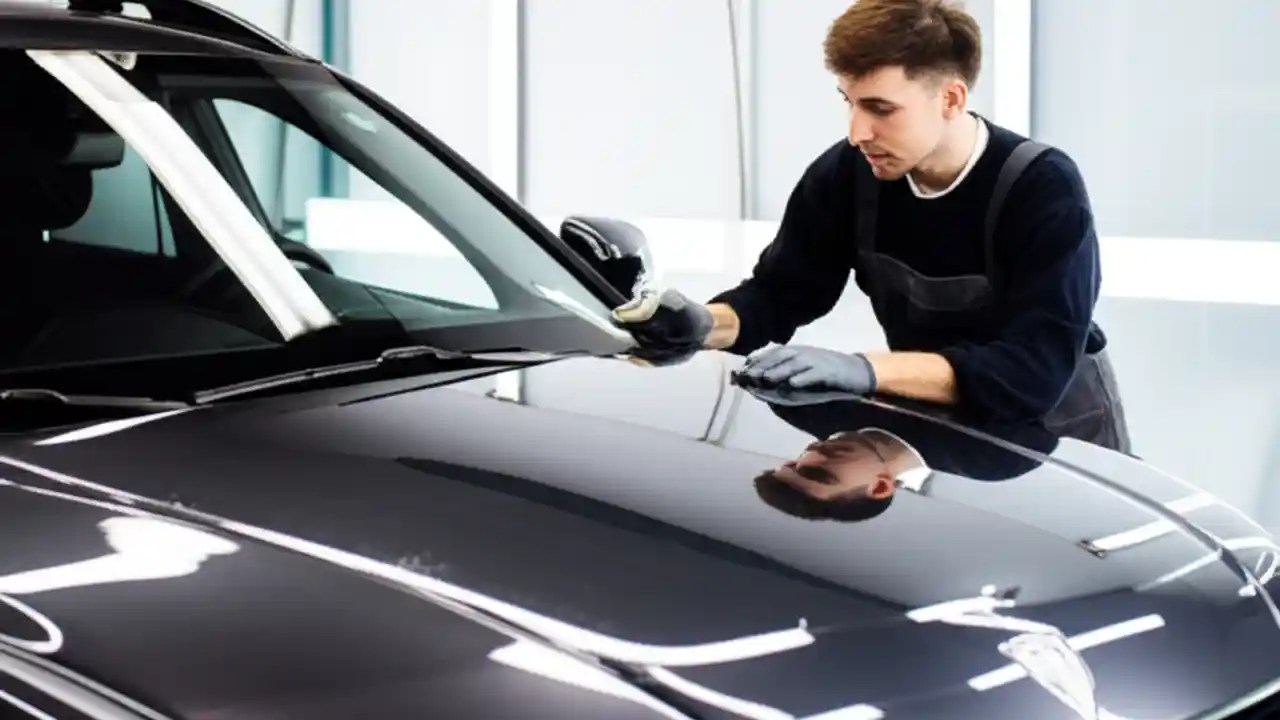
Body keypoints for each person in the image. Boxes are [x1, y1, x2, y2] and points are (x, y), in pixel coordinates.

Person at [612, 0, 1131, 454]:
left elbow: (1031, 373)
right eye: (850, 103)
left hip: (1062, 439)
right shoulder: (847, 174)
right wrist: (702, 325)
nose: (859, 132)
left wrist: (864, 370)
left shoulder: (1041, 187)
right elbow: (779, 296)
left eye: (881, 109)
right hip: (944, 428)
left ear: (950, 99)